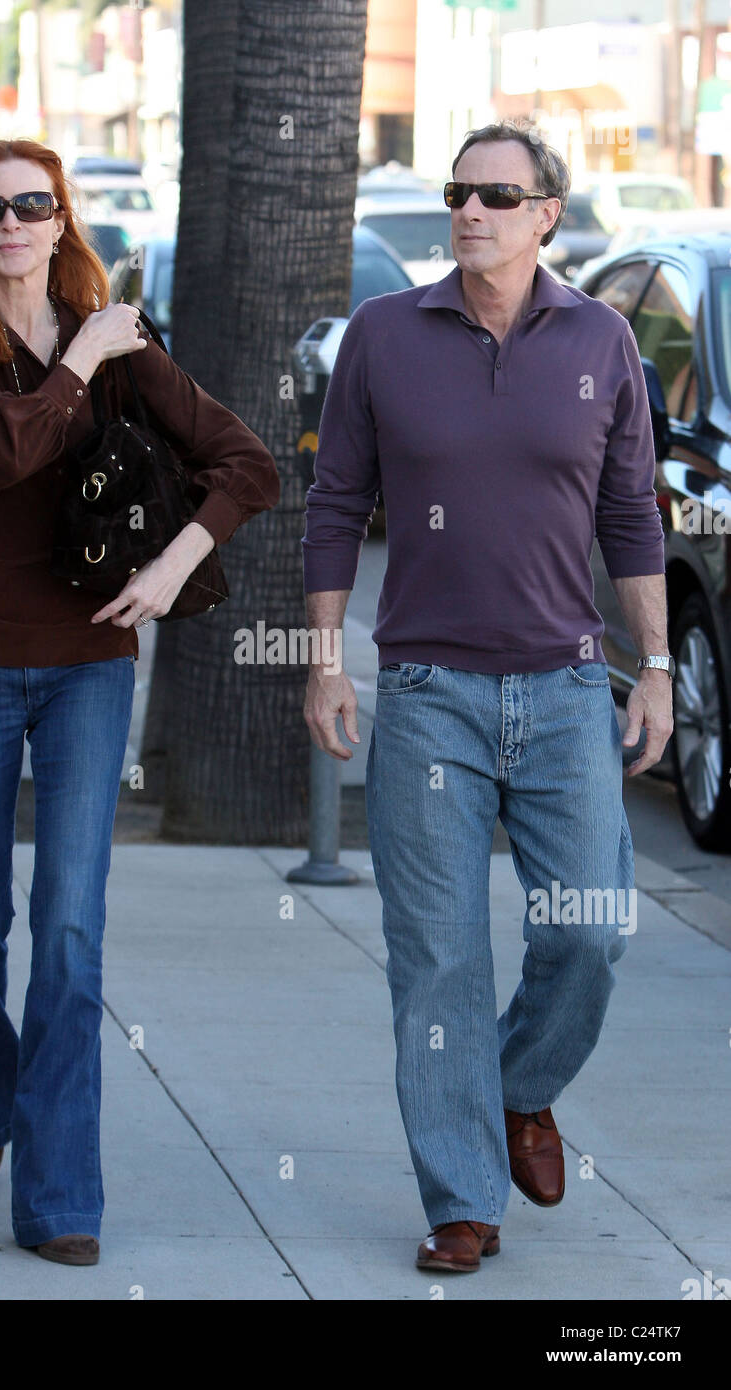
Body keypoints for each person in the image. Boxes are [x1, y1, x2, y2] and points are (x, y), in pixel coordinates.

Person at [0, 138, 279, 1266]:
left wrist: (169, 570)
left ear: (62, 222)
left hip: (88, 668)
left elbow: (247, 463)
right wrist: (79, 361)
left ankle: (60, 1197)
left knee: (67, 926)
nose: (13, 223)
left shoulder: (118, 341)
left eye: (34, 205)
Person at [301, 119, 673, 1273]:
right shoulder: (383, 336)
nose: (470, 211)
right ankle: (462, 1197)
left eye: (497, 195)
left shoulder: (603, 340)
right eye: (459, 192)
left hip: (565, 685)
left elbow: (630, 516)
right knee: (438, 955)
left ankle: (517, 1087)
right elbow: (331, 503)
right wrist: (323, 657)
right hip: (425, 690)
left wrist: (655, 662)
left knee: (596, 927)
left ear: (547, 213)